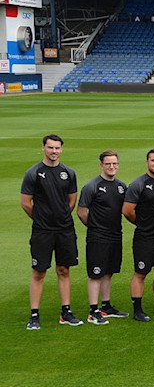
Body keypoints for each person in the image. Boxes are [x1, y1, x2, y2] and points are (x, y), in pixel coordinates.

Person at [23, 134, 82, 330]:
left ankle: (66, 311)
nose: (54, 151)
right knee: (39, 271)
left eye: (57, 148)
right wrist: (41, 219)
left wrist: (62, 216)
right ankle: (34, 314)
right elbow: (25, 203)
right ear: (43, 148)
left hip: (64, 229)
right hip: (43, 231)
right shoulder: (33, 173)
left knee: (64, 270)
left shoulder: (68, 172)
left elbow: (71, 200)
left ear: (61, 150)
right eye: (50, 148)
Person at [122, 149, 154, 322]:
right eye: (153, 160)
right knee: (141, 272)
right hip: (144, 237)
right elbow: (127, 211)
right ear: (147, 162)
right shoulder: (139, 184)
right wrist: (143, 224)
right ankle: (137, 310)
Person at [76, 150, 128, 324]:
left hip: (115, 235)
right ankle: (93, 311)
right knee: (96, 274)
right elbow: (81, 211)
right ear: (101, 165)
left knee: (109, 272)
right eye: (108, 164)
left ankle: (106, 306)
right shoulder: (92, 186)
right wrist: (95, 227)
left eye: (114, 164)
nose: (112, 167)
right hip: (98, 237)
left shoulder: (121, 186)